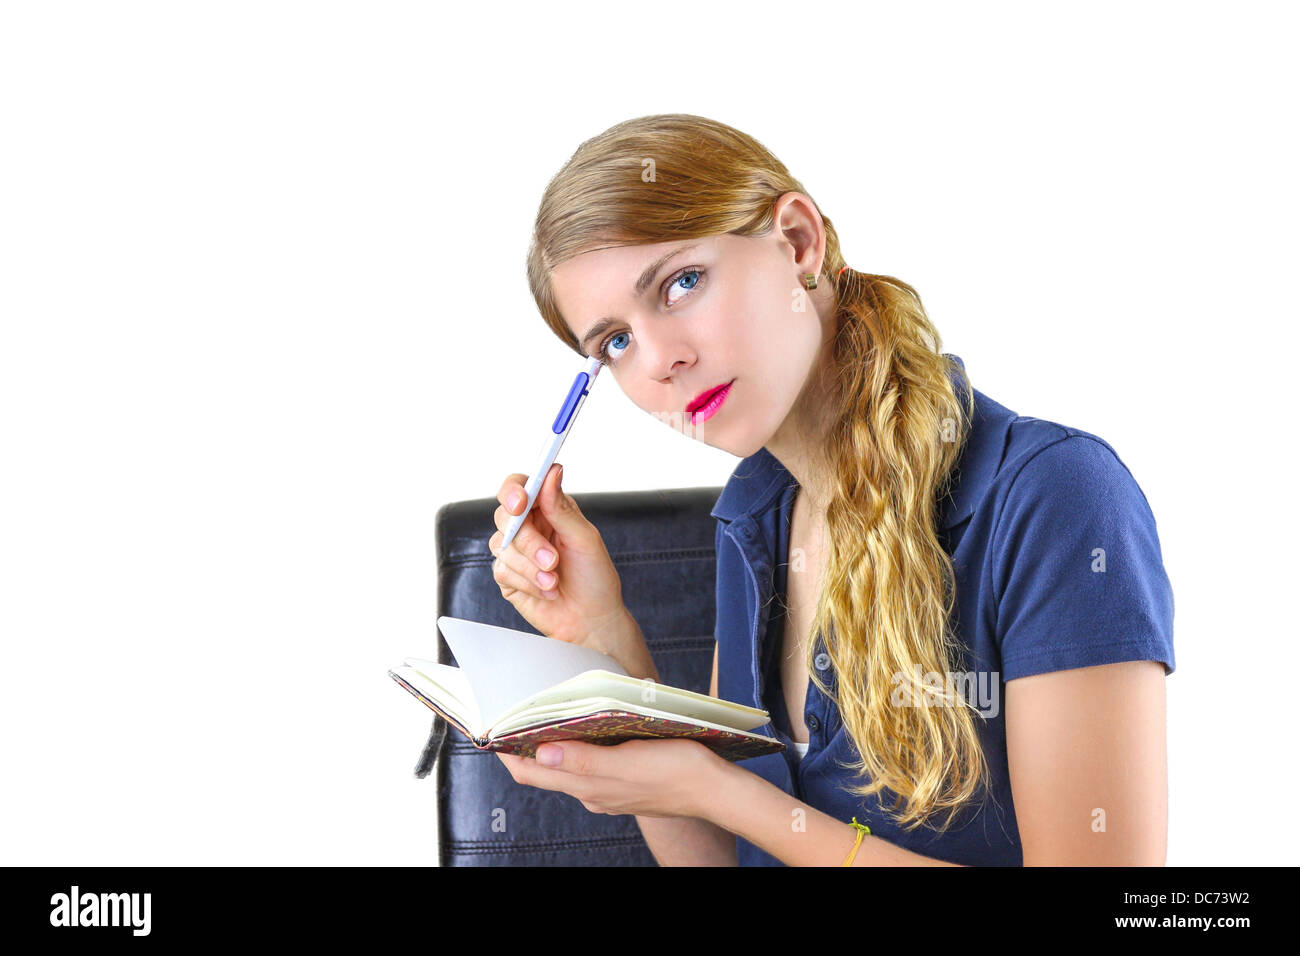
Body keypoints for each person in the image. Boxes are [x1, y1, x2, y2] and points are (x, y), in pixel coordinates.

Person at [487, 113, 1175, 866]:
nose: (658, 361)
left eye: (682, 283)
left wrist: (722, 792)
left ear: (797, 242)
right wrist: (601, 642)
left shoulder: (1053, 498)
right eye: (614, 341)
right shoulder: (754, 515)